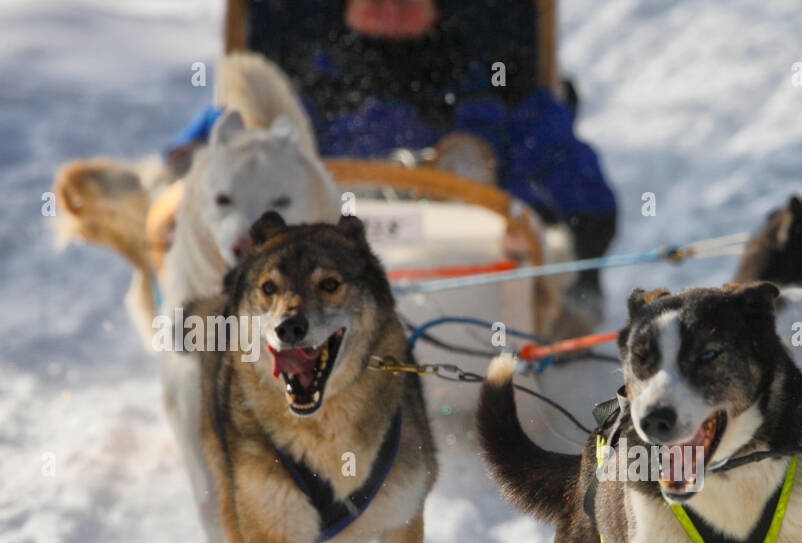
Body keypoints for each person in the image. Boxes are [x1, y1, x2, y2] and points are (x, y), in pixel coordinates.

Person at [166, 0, 618, 330]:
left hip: (466, 271)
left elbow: (572, 174)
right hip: (304, 269)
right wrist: (194, 165)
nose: (390, 9)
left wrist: (579, 257)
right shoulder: (298, 88)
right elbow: (231, 136)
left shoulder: (494, 89)